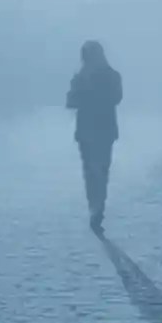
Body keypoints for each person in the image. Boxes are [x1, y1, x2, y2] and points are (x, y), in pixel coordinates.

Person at [66, 40, 122, 234]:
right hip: (95, 130)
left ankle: (97, 207)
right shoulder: (84, 77)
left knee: (96, 170)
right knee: (95, 171)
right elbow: (70, 101)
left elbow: (116, 98)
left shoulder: (106, 76)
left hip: (97, 130)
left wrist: (87, 93)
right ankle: (96, 207)